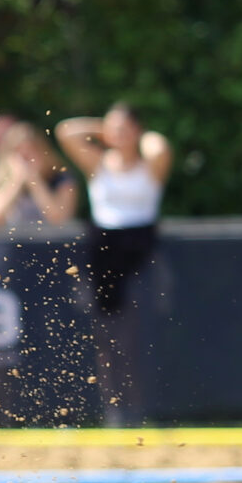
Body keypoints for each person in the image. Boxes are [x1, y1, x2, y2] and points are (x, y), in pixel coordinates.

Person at [56, 103, 172, 427]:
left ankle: (142, 407)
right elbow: (65, 131)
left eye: (125, 128)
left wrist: (131, 134)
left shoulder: (150, 165)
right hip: (104, 251)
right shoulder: (99, 163)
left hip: (141, 251)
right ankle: (115, 408)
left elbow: (159, 145)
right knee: (107, 336)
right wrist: (105, 127)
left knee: (141, 333)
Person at [0, 119, 79, 228]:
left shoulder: (61, 178)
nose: (26, 162)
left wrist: (35, 183)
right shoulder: (1, 179)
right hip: (11, 243)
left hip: (52, 243)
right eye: (21, 156)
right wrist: (16, 182)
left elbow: (60, 219)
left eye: (31, 153)